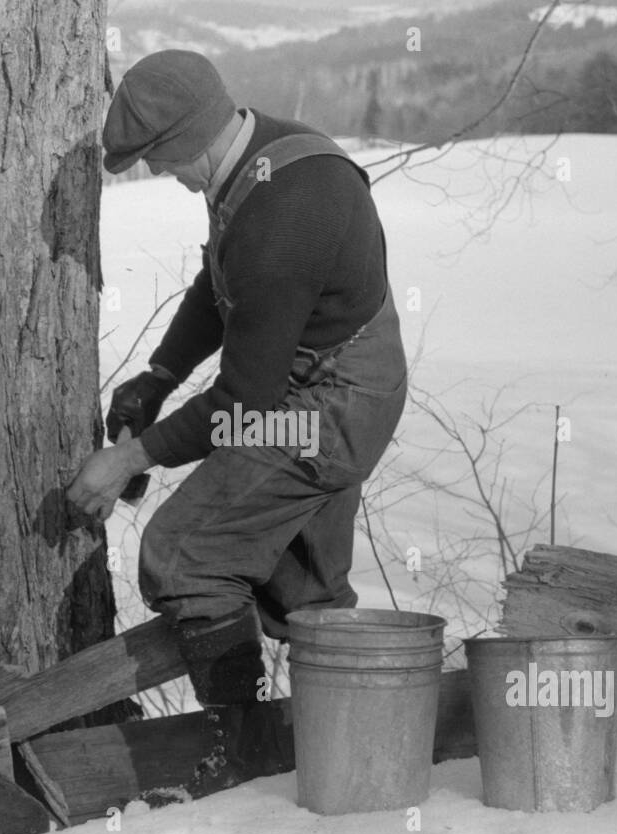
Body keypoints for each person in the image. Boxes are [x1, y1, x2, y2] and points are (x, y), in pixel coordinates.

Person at [67, 49, 406, 780]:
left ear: (189, 140)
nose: (162, 176)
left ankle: (244, 760)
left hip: (328, 409)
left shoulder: (285, 214)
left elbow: (241, 405)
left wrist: (130, 457)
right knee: (304, 593)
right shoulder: (259, 155)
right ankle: (352, 759)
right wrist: (158, 377)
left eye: (159, 160)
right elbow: (222, 282)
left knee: (185, 553)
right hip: (330, 385)